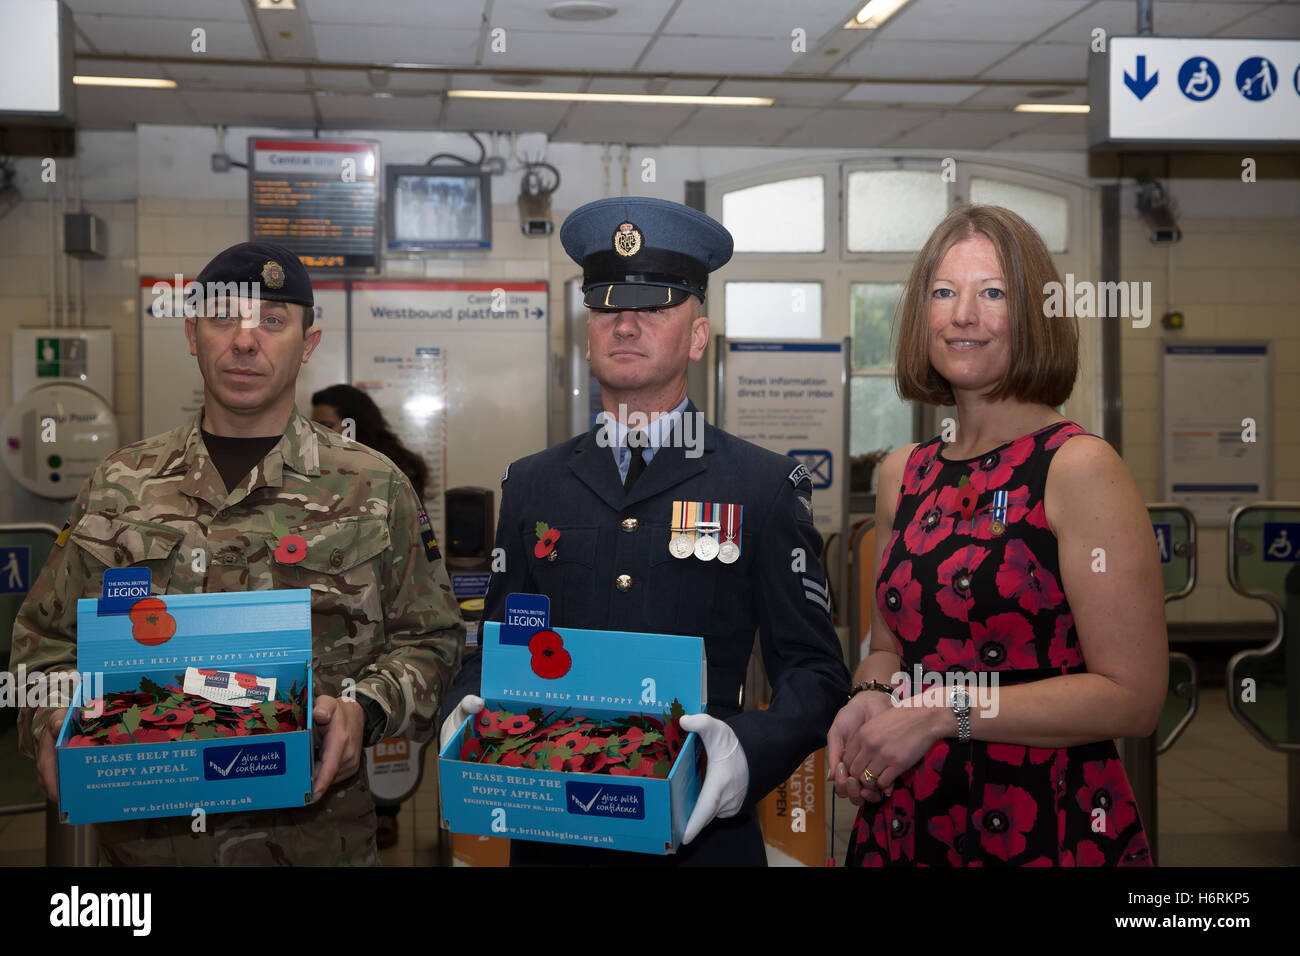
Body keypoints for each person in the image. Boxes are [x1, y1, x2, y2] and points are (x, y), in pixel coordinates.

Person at [10, 241, 465, 865]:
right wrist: (52, 721)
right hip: (149, 846)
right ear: (193, 334)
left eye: (273, 322)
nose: (245, 341)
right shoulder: (120, 486)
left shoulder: (373, 486)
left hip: (313, 839)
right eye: (224, 318)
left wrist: (368, 708)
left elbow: (435, 639)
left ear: (307, 345)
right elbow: (44, 641)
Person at [441, 196, 849, 866]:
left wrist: (744, 752)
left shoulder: (759, 486)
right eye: (606, 306)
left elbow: (814, 671)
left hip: (700, 837)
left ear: (696, 335)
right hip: (554, 836)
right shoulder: (532, 485)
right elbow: (501, 640)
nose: (625, 324)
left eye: (655, 305)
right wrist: (465, 704)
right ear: (588, 329)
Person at [827, 204, 1166, 866]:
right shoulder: (906, 474)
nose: (963, 315)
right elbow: (888, 647)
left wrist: (941, 712)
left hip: (1040, 816)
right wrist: (869, 699)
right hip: (909, 812)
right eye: (945, 293)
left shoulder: (1077, 467)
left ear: (1035, 316)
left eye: (992, 293)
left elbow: (1134, 698)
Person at [312, 382, 431, 849]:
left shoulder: (391, 473)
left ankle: (385, 810)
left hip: (383, 621)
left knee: (375, 719)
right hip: (336, 632)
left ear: (351, 420)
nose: (315, 431)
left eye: (325, 423)